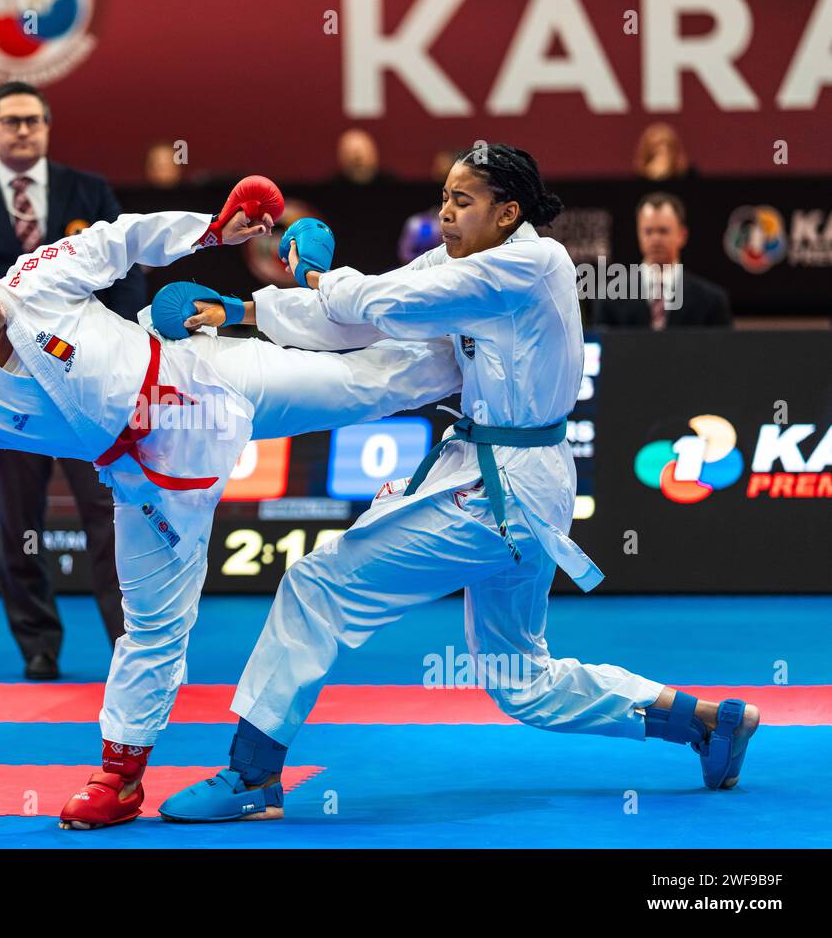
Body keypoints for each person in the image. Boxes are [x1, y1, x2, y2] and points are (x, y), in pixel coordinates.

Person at [0, 179, 463, 830]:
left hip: (199, 374)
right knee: (153, 631)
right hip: (150, 480)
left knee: (358, 385)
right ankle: (119, 777)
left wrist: (212, 228)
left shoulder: (30, 280)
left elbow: (121, 239)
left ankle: (465, 309)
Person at [159, 145, 759, 825]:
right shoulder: (462, 263)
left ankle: (252, 774)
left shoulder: (532, 264)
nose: (446, 211)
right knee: (520, 678)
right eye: (444, 196)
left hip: (505, 489)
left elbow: (384, 299)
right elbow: (359, 317)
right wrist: (241, 310)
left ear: (507, 212)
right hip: (500, 478)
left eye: (463, 200)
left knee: (319, 584)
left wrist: (321, 273)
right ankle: (709, 725)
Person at [0, 82, 146, 680]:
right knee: (18, 523)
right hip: (4, 387)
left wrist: (126, 344)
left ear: (48, 128)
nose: (22, 130)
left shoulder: (89, 191)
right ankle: (38, 646)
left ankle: (128, 639)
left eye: (33, 121)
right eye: (11, 121)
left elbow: (125, 273)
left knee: (109, 516)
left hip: (87, 382)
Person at [592, 192, 731, 329]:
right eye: (648, 231)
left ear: (682, 235)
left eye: (663, 231)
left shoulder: (711, 301)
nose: (656, 239)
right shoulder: (609, 297)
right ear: (638, 234)